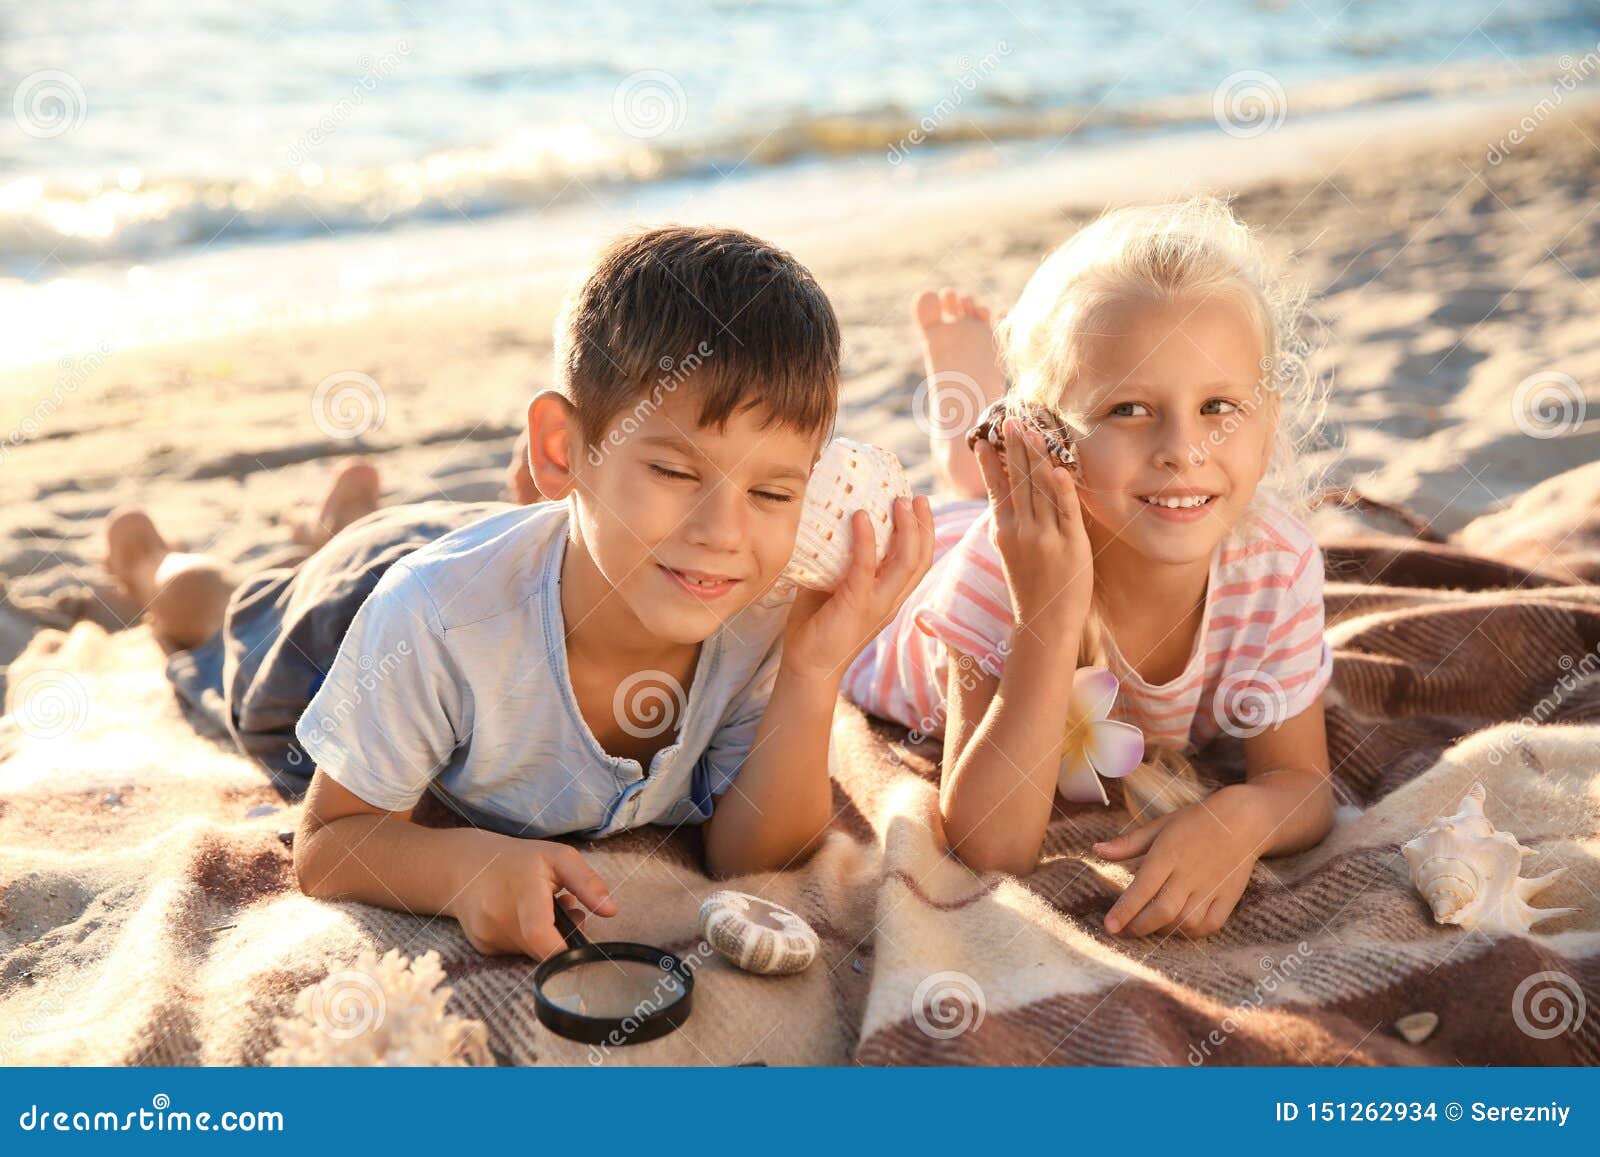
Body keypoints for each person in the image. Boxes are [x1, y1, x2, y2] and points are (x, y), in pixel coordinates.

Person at [102, 224, 935, 960]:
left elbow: (753, 855)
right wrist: (463, 868)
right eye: (677, 472)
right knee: (213, 611)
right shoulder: (433, 617)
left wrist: (814, 670)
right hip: (348, 619)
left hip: (550, 548)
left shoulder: (754, 607)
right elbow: (328, 846)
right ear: (561, 449)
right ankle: (156, 559)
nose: (725, 531)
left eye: (773, 492)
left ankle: (341, 517)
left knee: (485, 549)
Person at [842, 197, 1335, 939]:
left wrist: (1241, 818)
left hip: (1060, 498)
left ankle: (970, 451)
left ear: (1267, 423)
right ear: (1051, 440)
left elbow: (1302, 784)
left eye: (1219, 406)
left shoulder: (1276, 563)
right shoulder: (993, 572)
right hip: (925, 568)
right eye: (1129, 409)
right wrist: (1047, 610)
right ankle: (975, 450)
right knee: (938, 519)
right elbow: (990, 845)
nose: (1183, 451)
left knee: (974, 493)